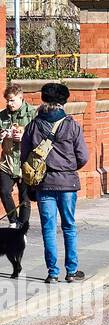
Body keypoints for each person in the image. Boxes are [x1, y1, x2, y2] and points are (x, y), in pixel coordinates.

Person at [19, 82, 89, 283]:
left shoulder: (33, 126)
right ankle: (71, 271)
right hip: (67, 183)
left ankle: (53, 272)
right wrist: (68, 166)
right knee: (69, 226)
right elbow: (83, 156)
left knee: (48, 228)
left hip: (44, 184)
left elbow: (25, 157)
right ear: (62, 102)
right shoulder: (72, 125)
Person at [0, 84, 37, 228]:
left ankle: (23, 226)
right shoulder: (2, 115)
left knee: (24, 197)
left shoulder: (32, 114)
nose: (9, 104)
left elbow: (40, 138)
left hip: (25, 161)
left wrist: (23, 136)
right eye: (7, 101)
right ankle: (13, 222)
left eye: (12, 100)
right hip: (7, 161)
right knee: (3, 190)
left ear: (21, 98)